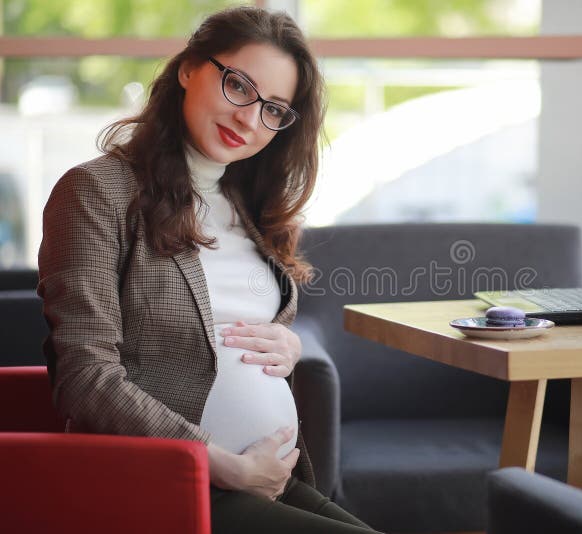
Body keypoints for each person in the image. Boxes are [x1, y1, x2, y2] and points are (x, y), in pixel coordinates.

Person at [37, 7, 378, 533]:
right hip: (160, 483)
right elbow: (85, 377)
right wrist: (217, 460)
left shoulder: (245, 201)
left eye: (274, 109)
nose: (250, 118)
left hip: (265, 481)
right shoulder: (96, 192)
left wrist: (287, 343)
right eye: (239, 86)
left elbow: (222, 321)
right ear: (189, 68)